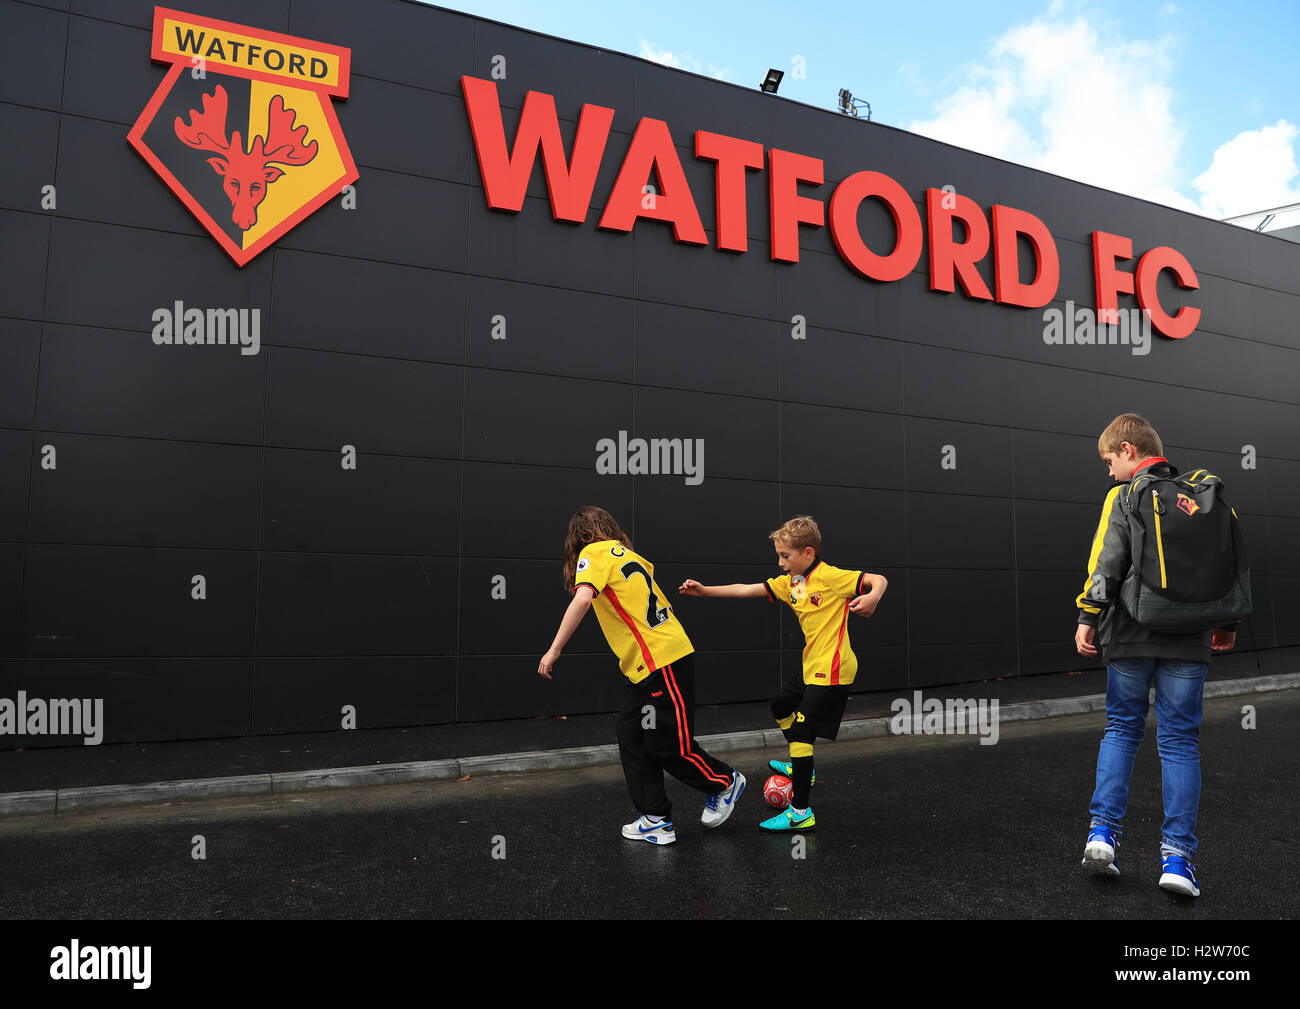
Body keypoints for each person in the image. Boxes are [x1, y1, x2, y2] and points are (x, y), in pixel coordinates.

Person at [1075, 413, 1238, 897]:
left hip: (1130, 630)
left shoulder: (1123, 496)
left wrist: (1088, 613)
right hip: (1189, 634)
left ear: (1128, 450)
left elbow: (1106, 560)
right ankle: (1178, 861)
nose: (1108, 472)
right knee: (1180, 741)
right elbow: (1227, 561)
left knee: (1123, 728)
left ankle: (1103, 835)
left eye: (1109, 460)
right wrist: (1225, 624)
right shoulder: (1202, 497)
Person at [539, 505, 745, 846]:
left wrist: (555, 648)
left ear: (578, 537)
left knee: (668, 745)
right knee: (632, 736)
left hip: (662, 661)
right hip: (646, 665)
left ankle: (724, 781)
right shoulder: (628, 556)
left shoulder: (592, 553)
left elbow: (583, 598)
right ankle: (655, 818)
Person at [679, 515, 887, 831]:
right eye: (778, 555)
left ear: (807, 553)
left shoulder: (831, 577)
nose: (780, 563)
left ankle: (801, 812)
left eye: (785, 556)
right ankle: (803, 767)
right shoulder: (791, 583)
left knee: (802, 735)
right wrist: (705, 591)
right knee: (780, 706)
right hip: (811, 665)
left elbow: (879, 580)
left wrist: (872, 596)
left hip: (832, 668)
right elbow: (744, 589)